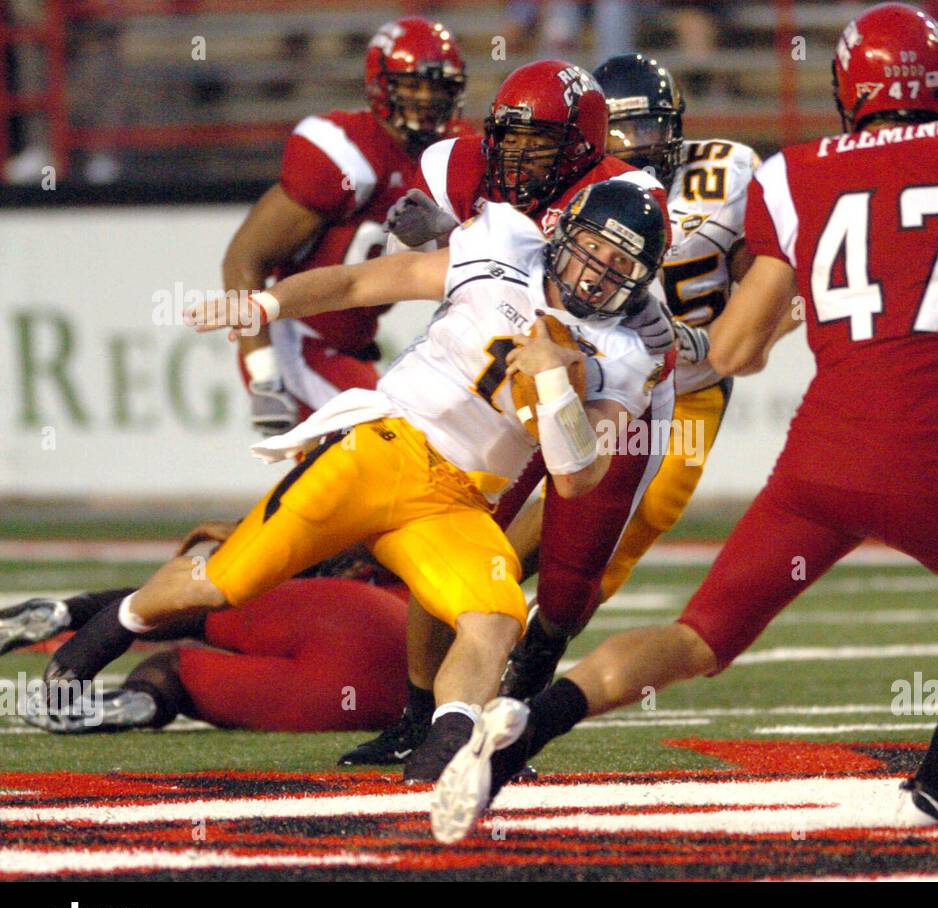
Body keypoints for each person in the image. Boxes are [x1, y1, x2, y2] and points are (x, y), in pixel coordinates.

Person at [425, 2, 938, 844]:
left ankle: (522, 730)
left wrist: (624, 346)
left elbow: (738, 348)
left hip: (816, 466)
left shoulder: (794, 174)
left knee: (700, 638)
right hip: (933, 466)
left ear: (847, 87)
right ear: (935, 80)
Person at [39, 179, 672, 785]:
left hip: (458, 498)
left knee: (496, 619)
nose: (595, 275)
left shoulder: (624, 350)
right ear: (562, 233)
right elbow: (356, 281)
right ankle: (93, 642)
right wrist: (264, 304)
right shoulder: (500, 248)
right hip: (382, 447)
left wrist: (559, 386)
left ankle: (440, 760)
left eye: (618, 268)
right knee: (225, 583)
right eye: (593, 250)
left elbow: (579, 477)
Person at [340, 59, 677, 776]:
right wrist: (446, 236)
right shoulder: (462, 162)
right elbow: (468, 270)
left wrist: (569, 372)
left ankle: (517, 714)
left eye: (540, 142)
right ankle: (417, 717)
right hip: (502, 384)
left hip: (602, 381)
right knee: (456, 529)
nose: (517, 158)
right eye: (510, 139)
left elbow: (629, 327)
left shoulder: (625, 193)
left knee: (565, 580)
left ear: (583, 145)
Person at [493, 53, 790, 702]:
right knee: (536, 508)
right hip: (597, 369)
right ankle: (468, 605)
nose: (641, 148)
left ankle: (539, 652)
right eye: (624, 133)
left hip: (688, 384)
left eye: (652, 129)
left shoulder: (730, 175)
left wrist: (734, 335)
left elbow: (777, 289)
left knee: (637, 520)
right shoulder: (577, 180)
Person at [224, 16, 467, 436]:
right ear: (381, 84)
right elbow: (244, 259)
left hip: (349, 348)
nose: (427, 98)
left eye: (438, 86)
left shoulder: (451, 153)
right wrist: (263, 373)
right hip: (299, 341)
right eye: (413, 84)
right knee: (394, 445)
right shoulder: (345, 152)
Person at [7, 576, 408, 734]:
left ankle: (64, 612)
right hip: (395, 696)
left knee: (190, 607)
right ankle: (138, 703)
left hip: (352, 612)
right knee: (176, 670)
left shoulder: (341, 477)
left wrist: (77, 659)